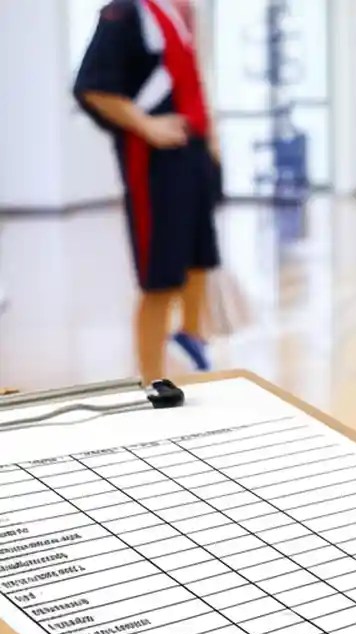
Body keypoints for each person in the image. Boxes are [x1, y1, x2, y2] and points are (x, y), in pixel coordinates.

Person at [74, 0, 220, 383]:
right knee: (160, 275)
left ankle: (191, 337)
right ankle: (151, 380)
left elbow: (191, 81)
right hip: (153, 164)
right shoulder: (125, 11)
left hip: (192, 154)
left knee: (199, 258)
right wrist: (145, 125)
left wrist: (212, 145)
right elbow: (91, 86)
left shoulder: (179, 13)